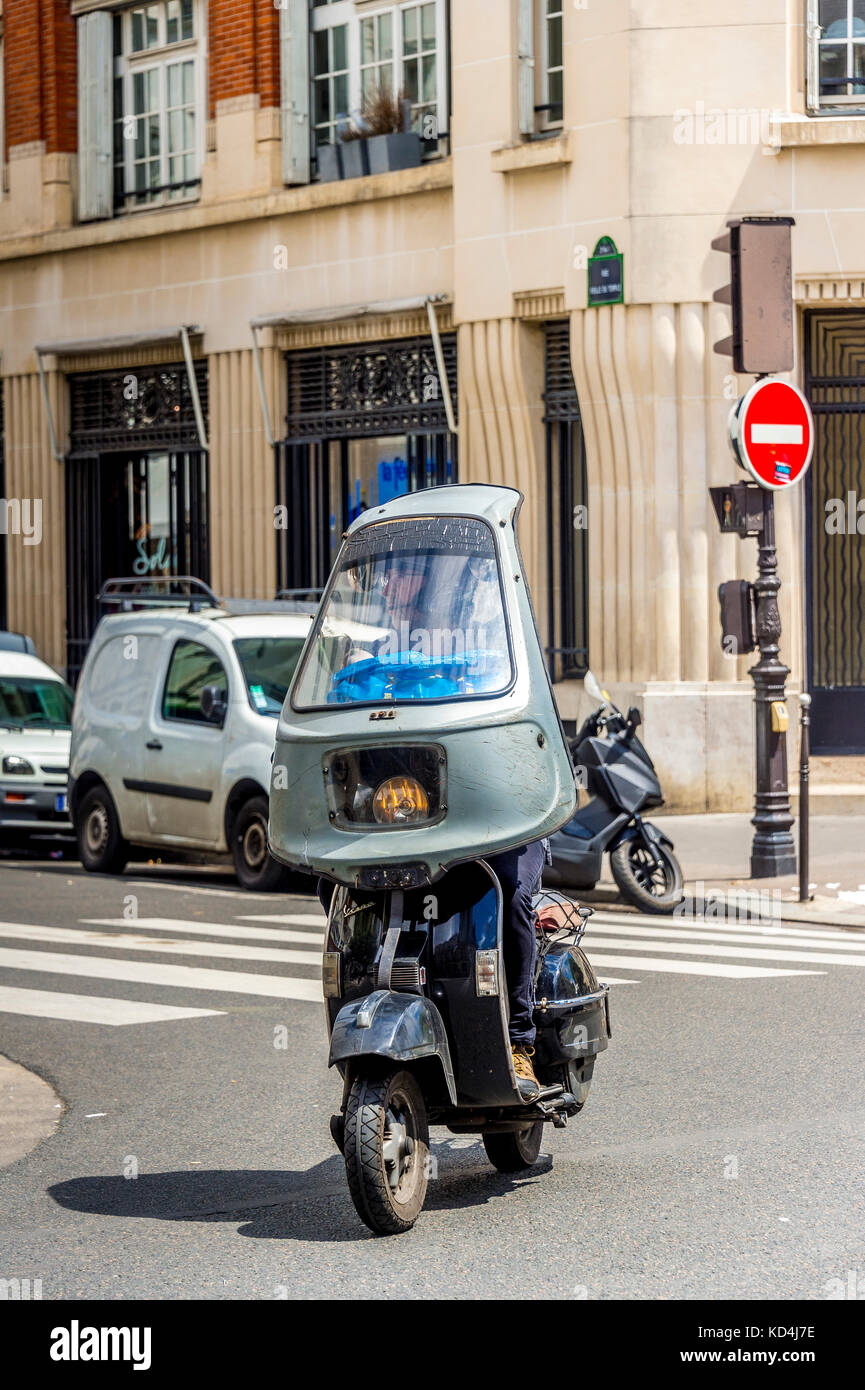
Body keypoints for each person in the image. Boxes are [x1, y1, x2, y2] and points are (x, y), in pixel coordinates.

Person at [321, 546, 551, 1099]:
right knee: (331, 882)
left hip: (496, 815)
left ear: (428, 583)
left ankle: (519, 1039)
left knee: (513, 893)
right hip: (406, 819)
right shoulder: (367, 655)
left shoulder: (487, 645)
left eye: (403, 572)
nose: (391, 584)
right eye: (387, 573)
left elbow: (519, 724)